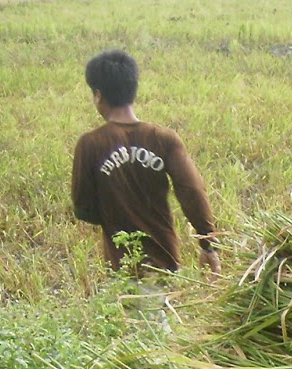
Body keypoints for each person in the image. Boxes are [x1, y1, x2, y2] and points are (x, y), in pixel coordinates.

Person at [71, 50, 220, 276]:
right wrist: (208, 244)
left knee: (129, 311)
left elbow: (83, 208)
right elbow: (193, 192)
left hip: (122, 266)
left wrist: (116, 209)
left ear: (98, 95)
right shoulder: (165, 139)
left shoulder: (91, 144)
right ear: (133, 90)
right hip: (166, 261)